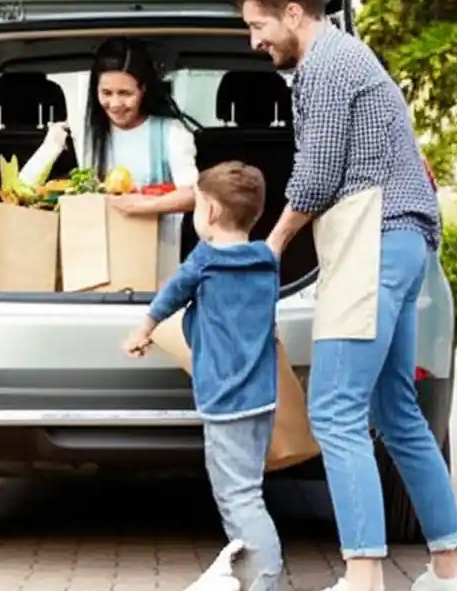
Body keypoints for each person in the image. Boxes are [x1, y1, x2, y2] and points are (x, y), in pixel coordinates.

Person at [234, 0, 457, 591]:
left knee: (336, 409)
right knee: (397, 411)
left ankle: (364, 573)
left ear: (293, 13)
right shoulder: (350, 57)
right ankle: (450, 571)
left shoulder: (325, 66)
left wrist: (274, 242)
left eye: (258, 25)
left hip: (372, 242)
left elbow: (316, 173)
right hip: (404, 242)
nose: (255, 41)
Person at [122, 161, 283, 591]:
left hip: (225, 402)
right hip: (262, 398)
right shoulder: (267, 260)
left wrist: (142, 331)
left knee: (239, 498)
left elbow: (172, 293)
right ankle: (255, 575)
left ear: (209, 212)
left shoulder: (206, 260)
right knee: (249, 489)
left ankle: (264, 580)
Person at [19, 37, 198, 282]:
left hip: (158, 269)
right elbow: (24, 188)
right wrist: (51, 146)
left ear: (143, 89)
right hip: (92, 270)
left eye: (125, 93)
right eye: (106, 93)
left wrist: (140, 206)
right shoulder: (84, 135)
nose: (115, 104)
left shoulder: (171, 133)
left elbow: (194, 195)